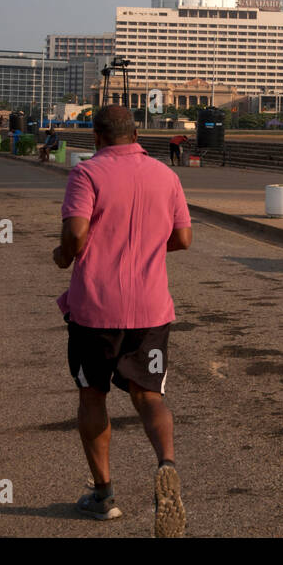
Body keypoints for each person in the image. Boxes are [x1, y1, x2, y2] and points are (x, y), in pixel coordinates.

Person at [53, 105, 191, 536]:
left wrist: (63, 256)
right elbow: (183, 238)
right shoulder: (166, 176)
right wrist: (146, 249)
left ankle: (104, 496)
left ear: (96, 137)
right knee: (150, 397)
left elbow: (76, 233)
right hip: (150, 310)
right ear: (136, 135)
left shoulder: (87, 174)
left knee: (92, 396)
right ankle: (166, 465)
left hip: (95, 310)